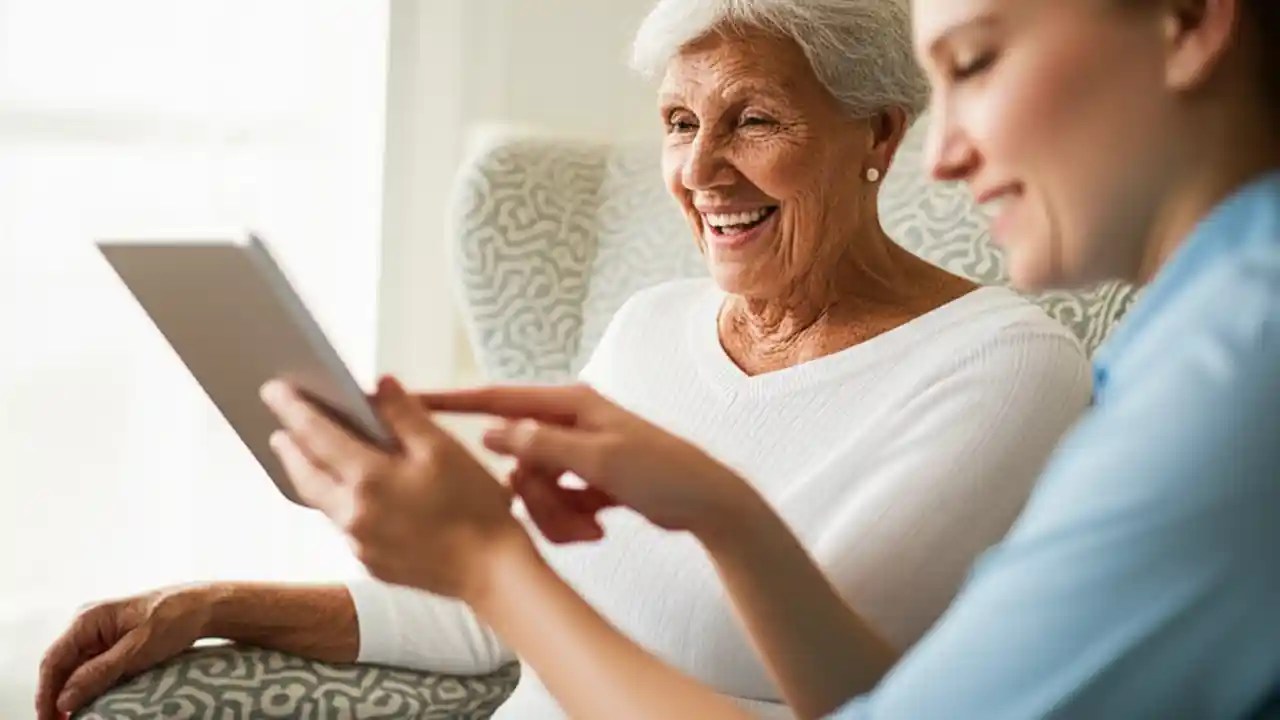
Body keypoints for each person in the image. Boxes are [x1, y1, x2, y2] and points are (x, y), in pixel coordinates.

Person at [33, 2, 1093, 719]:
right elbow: (491, 611)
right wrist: (214, 604)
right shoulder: (652, 324)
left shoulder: (1002, 367)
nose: (700, 170)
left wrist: (494, 550)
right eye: (678, 121)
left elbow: (841, 694)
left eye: (754, 120)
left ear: (879, 135)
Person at [252, 0, 1280, 718]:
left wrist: (488, 557)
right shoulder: (1184, 340)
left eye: (974, 63)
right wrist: (720, 511)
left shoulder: (1220, 368)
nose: (946, 157)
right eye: (677, 122)